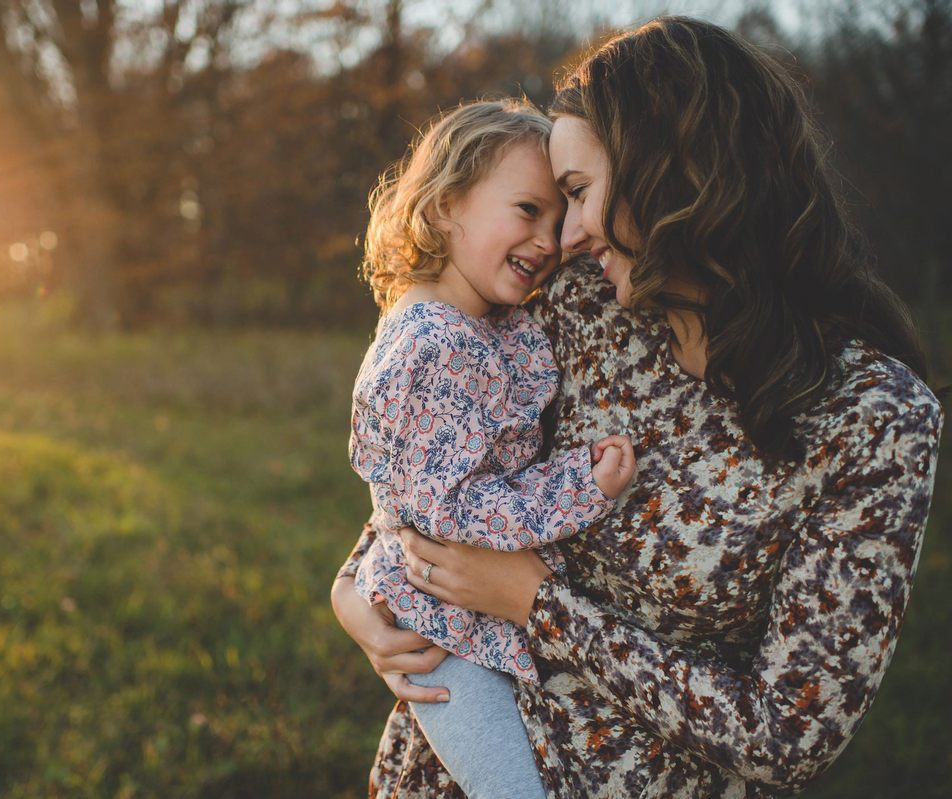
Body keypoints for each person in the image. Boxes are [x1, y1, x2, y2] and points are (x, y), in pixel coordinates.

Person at [331, 16, 943, 799]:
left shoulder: (874, 420)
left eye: (579, 195)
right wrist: (353, 590)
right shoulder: (578, 311)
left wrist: (537, 604)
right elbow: (441, 465)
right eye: (552, 204)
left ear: (681, 176)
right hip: (448, 767)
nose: (567, 237)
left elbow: (787, 735)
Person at [349, 99, 636, 799]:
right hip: (444, 639)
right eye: (528, 210)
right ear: (447, 206)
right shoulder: (432, 346)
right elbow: (453, 510)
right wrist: (581, 485)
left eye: (558, 213)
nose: (551, 237)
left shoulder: (480, 321)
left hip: (460, 615)